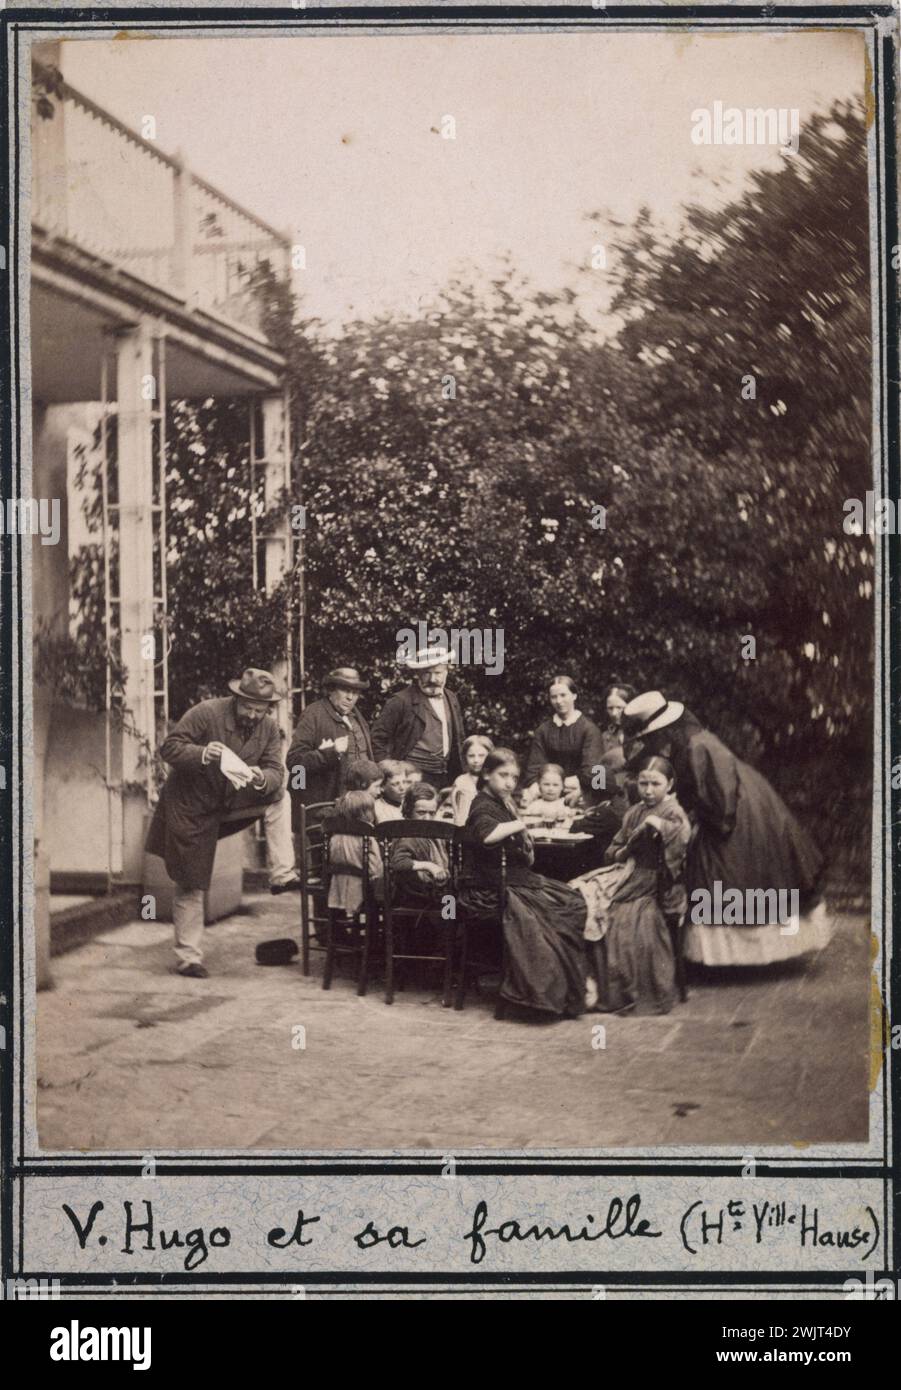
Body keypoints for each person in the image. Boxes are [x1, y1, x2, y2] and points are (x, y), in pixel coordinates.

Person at [623, 692, 830, 966]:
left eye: (653, 736)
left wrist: (699, 821)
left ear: (665, 730)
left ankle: (736, 954)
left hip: (732, 808)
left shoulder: (696, 746)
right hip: (739, 798)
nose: (653, 743)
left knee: (730, 870)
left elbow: (718, 795)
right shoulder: (691, 741)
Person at [145, 667, 288, 978]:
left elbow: (277, 770)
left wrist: (263, 777)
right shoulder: (206, 712)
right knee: (191, 881)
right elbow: (169, 748)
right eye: (247, 707)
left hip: (231, 802)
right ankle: (188, 957)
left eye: (259, 710)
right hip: (191, 806)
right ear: (235, 698)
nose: (252, 715)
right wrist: (202, 753)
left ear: (268, 709)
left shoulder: (269, 729)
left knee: (280, 795)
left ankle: (282, 872)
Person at [464, 748, 587, 1018]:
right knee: (563, 907)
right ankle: (546, 992)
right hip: (494, 883)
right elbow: (488, 836)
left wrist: (525, 845)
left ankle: (567, 988)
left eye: (514, 777)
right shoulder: (482, 804)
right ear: (487, 774)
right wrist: (520, 827)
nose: (509, 782)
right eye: (502, 775)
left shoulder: (501, 803)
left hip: (515, 877)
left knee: (573, 900)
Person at [572, 755, 691, 1015]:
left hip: (656, 883)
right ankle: (585, 982)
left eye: (655, 784)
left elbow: (682, 836)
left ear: (670, 785)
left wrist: (659, 825)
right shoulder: (634, 811)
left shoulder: (673, 811)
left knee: (620, 917)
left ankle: (611, 990)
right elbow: (613, 849)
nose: (648, 790)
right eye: (643, 783)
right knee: (579, 896)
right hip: (627, 873)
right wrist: (624, 851)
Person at [285, 667, 374, 824]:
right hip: (327, 808)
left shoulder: (357, 717)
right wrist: (329, 753)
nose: (350, 697)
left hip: (360, 805)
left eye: (355, 692)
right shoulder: (313, 714)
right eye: (345, 690)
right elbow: (294, 763)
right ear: (331, 691)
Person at [371, 646, 466, 789]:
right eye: (427, 673)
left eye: (438, 673)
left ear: (447, 672)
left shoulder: (451, 698)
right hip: (412, 778)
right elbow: (377, 740)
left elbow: (459, 738)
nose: (433, 679)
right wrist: (390, 774)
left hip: (445, 776)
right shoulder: (400, 701)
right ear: (418, 674)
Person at [522, 675, 606, 805]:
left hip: (579, 792)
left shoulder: (589, 729)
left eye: (563, 695)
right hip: (546, 794)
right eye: (554, 697)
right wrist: (540, 787)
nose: (559, 701)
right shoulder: (543, 731)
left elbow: (594, 770)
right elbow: (534, 768)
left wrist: (564, 785)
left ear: (574, 695)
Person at [326, 789, 384, 919]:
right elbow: (375, 868)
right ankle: (374, 932)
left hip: (337, 884)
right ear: (367, 813)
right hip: (363, 887)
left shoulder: (335, 835)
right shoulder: (367, 838)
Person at [390, 782, 452, 902]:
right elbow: (397, 862)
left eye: (432, 813)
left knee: (455, 897)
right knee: (452, 897)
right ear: (409, 810)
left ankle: (449, 918)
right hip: (412, 893)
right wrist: (429, 866)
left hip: (430, 887)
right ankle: (448, 917)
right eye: (421, 813)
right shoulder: (408, 834)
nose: (427, 819)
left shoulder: (431, 833)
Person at [600, 681, 638, 804]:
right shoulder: (606, 736)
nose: (614, 713)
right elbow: (598, 769)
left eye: (619, 708)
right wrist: (597, 794)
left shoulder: (642, 734)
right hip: (609, 794)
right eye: (610, 708)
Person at [450, 734, 493, 825]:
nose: (476, 760)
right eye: (471, 756)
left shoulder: (494, 780)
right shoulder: (462, 782)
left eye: (481, 756)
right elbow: (460, 816)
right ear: (465, 757)